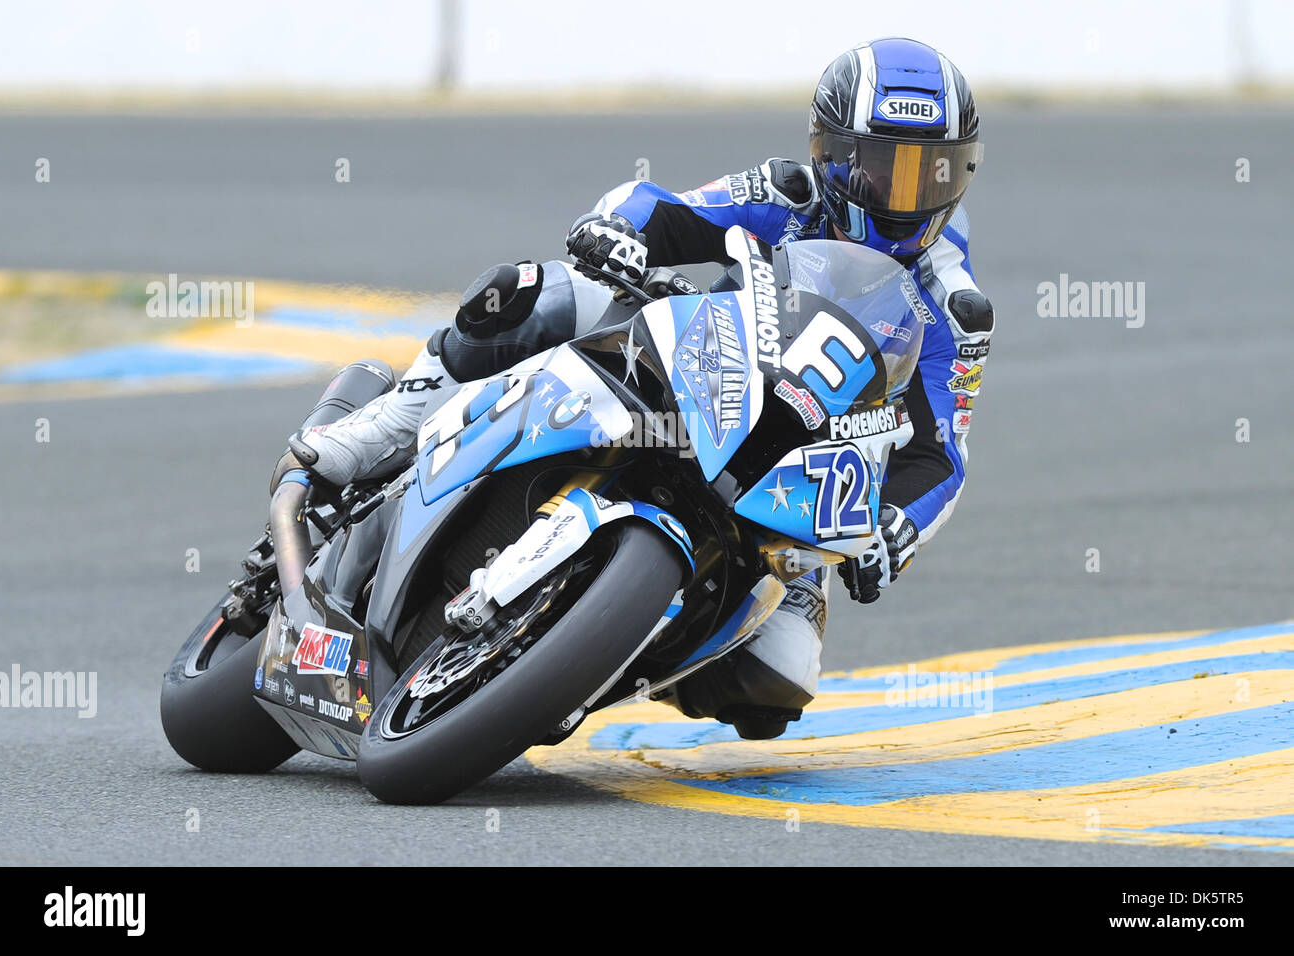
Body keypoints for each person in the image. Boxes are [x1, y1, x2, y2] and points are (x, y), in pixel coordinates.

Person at [275, 37, 993, 740]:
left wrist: (896, 526)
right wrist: (615, 230)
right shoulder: (789, 193)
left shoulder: (955, 309)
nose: (903, 196)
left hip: (792, 482)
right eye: (880, 169)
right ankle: (377, 430)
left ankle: (589, 656)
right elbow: (662, 209)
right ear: (830, 151)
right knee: (530, 295)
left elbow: (940, 457)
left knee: (773, 687)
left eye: (930, 174)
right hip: (703, 381)